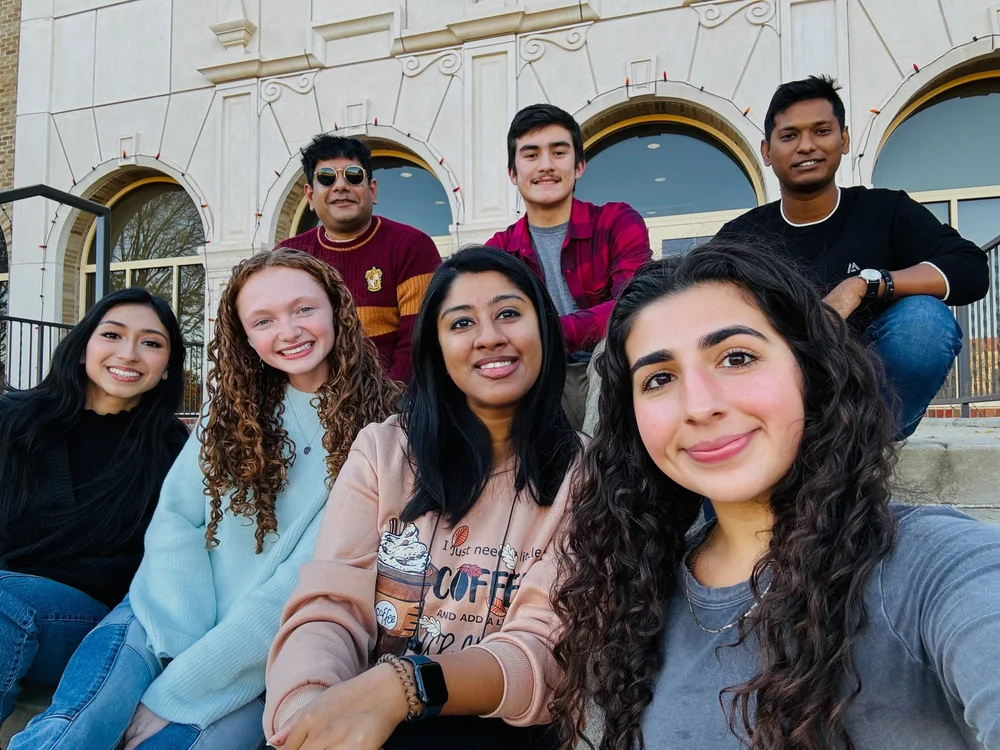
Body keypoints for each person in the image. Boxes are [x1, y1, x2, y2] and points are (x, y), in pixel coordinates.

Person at [550, 242, 1000, 750]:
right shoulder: (632, 591)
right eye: (659, 378)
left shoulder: (933, 567)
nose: (698, 405)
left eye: (736, 357)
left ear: (809, 369)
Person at [10, 249, 400, 749]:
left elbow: (307, 581)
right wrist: (178, 641)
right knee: (68, 733)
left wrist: (183, 682)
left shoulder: (384, 430)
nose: (288, 331)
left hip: (261, 654)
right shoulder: (231, 410)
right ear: (244, 335)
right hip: (155, 618)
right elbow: (175, 519)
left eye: (304, 309)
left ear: (336, 310)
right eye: (263, 320)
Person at [264, 247, 583, 750]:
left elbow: (546, 649)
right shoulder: (382, 450)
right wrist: (307, 709)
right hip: (369, 717)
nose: (489, 336)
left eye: (508, 313)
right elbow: (330, 608)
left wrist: (405, 684)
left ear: (543, 328)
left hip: (502, 730)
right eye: (460, 323)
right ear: (435, 348)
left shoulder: (586, 473)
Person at [715, 75, 989, 438]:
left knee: (925, 320)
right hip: (780, 389)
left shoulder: (884, 210)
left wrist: (866, 283)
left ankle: (860, 443)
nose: (806, 146)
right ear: (767, 152)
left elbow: (969, 269)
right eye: (789, 135)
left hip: (873, 394)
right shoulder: (739, 237)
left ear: (843, 140)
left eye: (821, 131)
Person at [0, 288, 189, 725]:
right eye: (112, 335)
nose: (129, 353)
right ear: (84, 346)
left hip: (86, 622)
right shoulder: (13, 421)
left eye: (151, 343)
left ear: (166, 369)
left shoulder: (175, 452)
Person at [486, 104, 651, 430]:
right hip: (539, 371)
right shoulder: (499, 251)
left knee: (608, 352)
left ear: (578, 166)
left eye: (558, 152)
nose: (546, 165)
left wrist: (549, 331)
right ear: (513, 174)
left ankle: (595, 470)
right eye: (531, 155)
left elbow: (634, 305)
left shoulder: (616, 221)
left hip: (615, 367)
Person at [277, 134, 442, 384]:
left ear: (372, 190)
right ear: (310, 196)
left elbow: (419, 340)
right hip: (306, 400)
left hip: (390, 407)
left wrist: (383, 408)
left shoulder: (412, 246)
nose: (341, 186)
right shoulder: (288, 257)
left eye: (353, 176)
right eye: (327, 178)